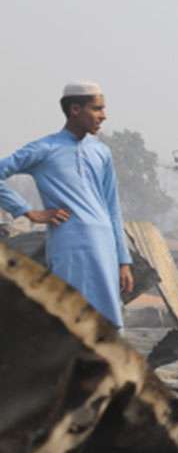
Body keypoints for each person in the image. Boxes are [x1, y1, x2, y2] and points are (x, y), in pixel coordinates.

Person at [0, 82, 133, 326]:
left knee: (109, 321)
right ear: (75, 110)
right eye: (97, 109)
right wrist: (27, 211)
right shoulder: (45, 148)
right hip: (70, 245)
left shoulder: (101, 152)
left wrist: (123, 261)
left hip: (105, 247)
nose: (103, 116)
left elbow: (112, 206)